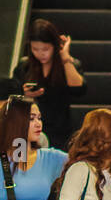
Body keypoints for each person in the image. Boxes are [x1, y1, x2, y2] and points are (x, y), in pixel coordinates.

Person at [12, 18, 86, 152]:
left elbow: (79, 89)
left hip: (60, 130)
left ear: (55, 45)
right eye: (35, 49)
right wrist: (24, 94)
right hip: (28, 130)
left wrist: (65, 58)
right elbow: (11, 100)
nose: (41, 54)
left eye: (46, 49)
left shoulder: (69, 65)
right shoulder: (25, 66)